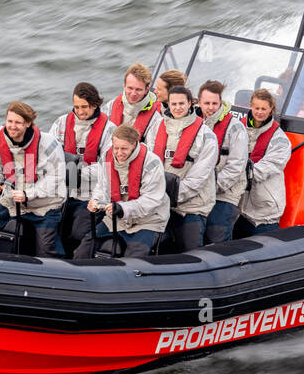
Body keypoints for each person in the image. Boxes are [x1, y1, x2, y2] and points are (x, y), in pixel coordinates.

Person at [0, 100, 65, 256]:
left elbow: (56, 177)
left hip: (44, 204)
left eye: (18, 122)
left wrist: (28, 194)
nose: (12, 126)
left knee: (47, 248)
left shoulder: (49, 144)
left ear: (28, 123)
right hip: (12, 199)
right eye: (9, 121)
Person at [75, 124, 170, 258]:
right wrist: (96, 202)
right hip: (116, 219)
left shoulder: (152, 163)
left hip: (147, 220)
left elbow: (151, 199)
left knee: (135, 257)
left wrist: (122, 208)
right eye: (116, 148)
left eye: (124, 148)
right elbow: (102, 188)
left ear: (134, 144)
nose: (119, 153)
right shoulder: (106, 159)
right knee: (85, 247)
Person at [48, 82, 114, 255]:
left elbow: (106, 167)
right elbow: (48, 155)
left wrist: (76, 174)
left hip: (90, 194)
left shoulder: (109, 130)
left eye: (84, 106)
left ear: (95, 104)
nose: (80, 111)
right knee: (51, 227)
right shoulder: (61, 123)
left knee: (78, 233)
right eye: (76, 107)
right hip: (63, 191)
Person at [152, 85, 218, 251]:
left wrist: (169, 196)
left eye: (182, 103)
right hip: (161, 203)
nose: (177, 108)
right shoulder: (157, 127)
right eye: (173, 104)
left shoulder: (207, 136)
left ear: (190, 103)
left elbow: (198, 179)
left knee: (190, 251)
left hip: (191, 206)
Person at [198, 80, 248, 244]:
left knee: (216, 230)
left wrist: (211, 187)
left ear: (221, 102)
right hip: (198, 191)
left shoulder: (235, 128)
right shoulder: (194, 124)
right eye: (206, 103)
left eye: (214, 103)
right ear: (199, 103)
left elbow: (236, 167)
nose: (210, 107)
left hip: (225, 192)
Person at [237, 88, 292, 234]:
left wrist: (236, 174)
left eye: (264, 108)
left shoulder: (280, 140)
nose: (259, 112)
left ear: (271, 109)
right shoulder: (238, 128)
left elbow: (267, 168)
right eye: (256, 108)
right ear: (250, 106)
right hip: (238, 207)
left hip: (264, 211)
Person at [107, 62, 163, 146]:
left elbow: (151, 150)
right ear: (124, 86)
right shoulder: (110, 106)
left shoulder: (155, 119)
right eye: (130, 88)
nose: (133, 93)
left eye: (138, 89)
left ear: (147, 90)